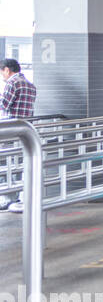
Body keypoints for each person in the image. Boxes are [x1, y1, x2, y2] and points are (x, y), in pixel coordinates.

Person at [0, 58, 37, 212]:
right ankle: (22, 197)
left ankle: (8, 198)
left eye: (2, 72)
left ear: (7, 70)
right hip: (25, 131)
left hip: (11, 130)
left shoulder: (13, 83)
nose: (2, 76)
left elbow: (4, 105)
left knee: (6, 164)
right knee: (20, 164)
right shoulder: (30, 85)